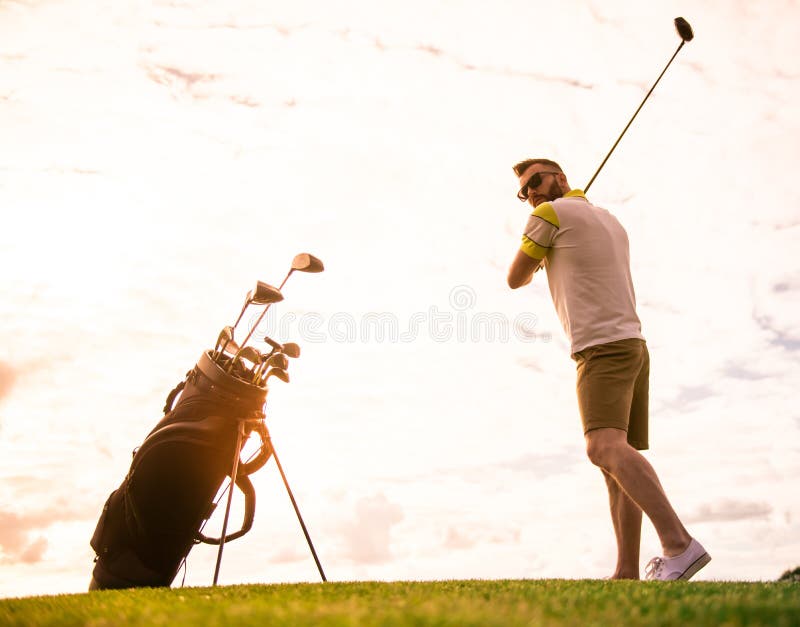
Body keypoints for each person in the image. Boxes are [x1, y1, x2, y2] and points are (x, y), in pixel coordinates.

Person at [506, 158, 710, 581]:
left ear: (560, 177)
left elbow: (514, 278)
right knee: (616, 465)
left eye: (535, 182)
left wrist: (542, 247)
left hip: (600, 350)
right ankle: (626, 571)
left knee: (602, 448)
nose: (531, 195)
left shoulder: (549, 216)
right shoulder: (608, 219)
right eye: (523, 192)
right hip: (633, 346)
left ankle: (678, 544)